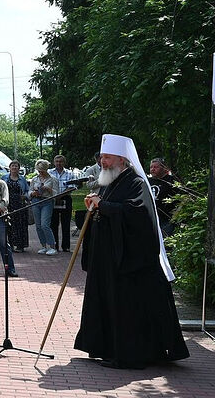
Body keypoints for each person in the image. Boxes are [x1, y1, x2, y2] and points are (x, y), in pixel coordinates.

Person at [75, 134, 188, 369]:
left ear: (121, 159)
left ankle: (129, 354)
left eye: (106, 157)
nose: (102, 161)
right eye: (102, 157)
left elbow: (136, 216)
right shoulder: (111, 181)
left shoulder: (136, 182)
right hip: (110, 258)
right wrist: (95, 206)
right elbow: (108, 210)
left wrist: (102, 206)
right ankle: (106, 348)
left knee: (127, 308)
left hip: (130, 263)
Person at [28, 159, 59, 256]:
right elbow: (29, 192)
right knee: (38, 226)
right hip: (36, 201)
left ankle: (52, 246)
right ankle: (43, 246)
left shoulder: (53, 179)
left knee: (45, 225)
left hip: (47, 201)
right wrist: (33, 193)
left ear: (46, 169)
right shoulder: (34, 179)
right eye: (39, 170)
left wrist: (48, 189)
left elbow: (56, 193)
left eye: (42, 170)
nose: (40, 172)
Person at [148, 157, 182, 237]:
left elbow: (184, 198)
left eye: (156, 167)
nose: (152, 169)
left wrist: (176, 215)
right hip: (151, 219)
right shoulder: (148, 181)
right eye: (151, 167)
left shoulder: (172, 181)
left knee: (166, 245)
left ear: (164, 168)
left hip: (167, 220)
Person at [49, 155, 75, 252]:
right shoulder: (49, 173)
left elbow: (72, 186)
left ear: (64, 162)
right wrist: (55, 195)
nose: (59, 163)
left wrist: (60, 195)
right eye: (57, 161)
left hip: (66, 198)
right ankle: (54, 246)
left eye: (61, 161)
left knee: (66, 223)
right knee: (53, 224)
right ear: (54, 162)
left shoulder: (69, 173)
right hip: (53, 199)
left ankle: (66, 246)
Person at [2, 161, 30, 253]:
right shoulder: (4, 178)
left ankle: (20, 245)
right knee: (9, 225)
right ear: (9, 168)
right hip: (8, 204)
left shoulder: (22, 179)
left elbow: (27, 190)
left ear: (19, 168)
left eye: (16, 166)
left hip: (20, 204)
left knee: (20, 225)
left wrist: (25, 196)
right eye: (12, 166)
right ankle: (10, 244)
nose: (14, 167)